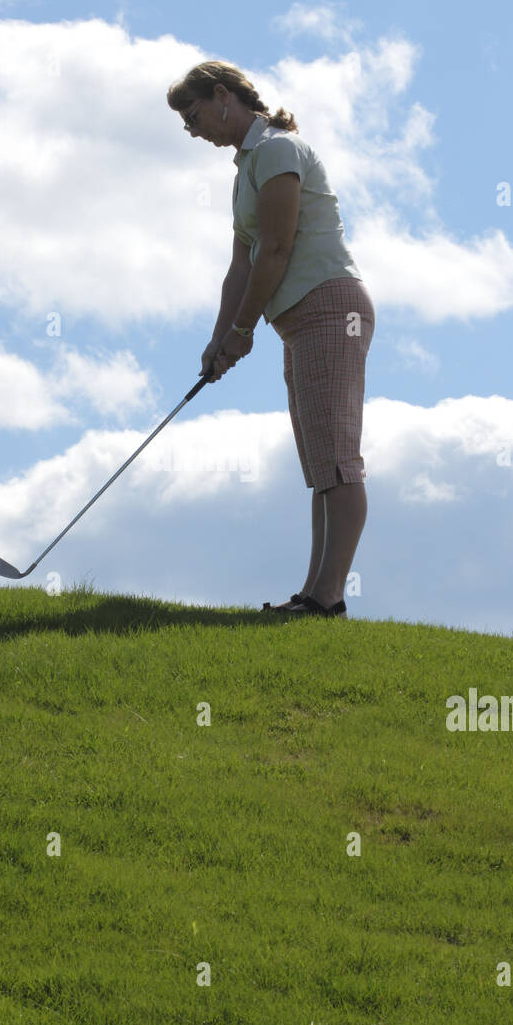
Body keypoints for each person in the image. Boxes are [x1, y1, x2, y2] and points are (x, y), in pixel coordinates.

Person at [166, 59, 375, 619]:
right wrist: (218, 342)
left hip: (331, 307)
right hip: (300, 319)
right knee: (320, 465)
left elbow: (279, 249)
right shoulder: (247, 168)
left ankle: (328, 598)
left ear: (222, 96)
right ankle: (314, 594)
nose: (192, 130)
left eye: (193, 115)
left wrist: (242, 331)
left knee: (337, 461)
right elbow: (242, 266)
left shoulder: (279, 150)